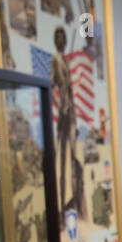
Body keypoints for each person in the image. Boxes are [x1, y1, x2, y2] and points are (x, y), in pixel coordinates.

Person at [52, 27, 76, 221]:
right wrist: (60, 104)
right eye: (58, 37)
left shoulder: (66, 62)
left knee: (73, 158)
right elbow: (52, 85)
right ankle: (60, 207)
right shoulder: (56, 61)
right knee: (61, 159)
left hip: (71, 113)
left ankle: (70, 203)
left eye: (63, 37)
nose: (61, 40)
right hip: (63, 113)